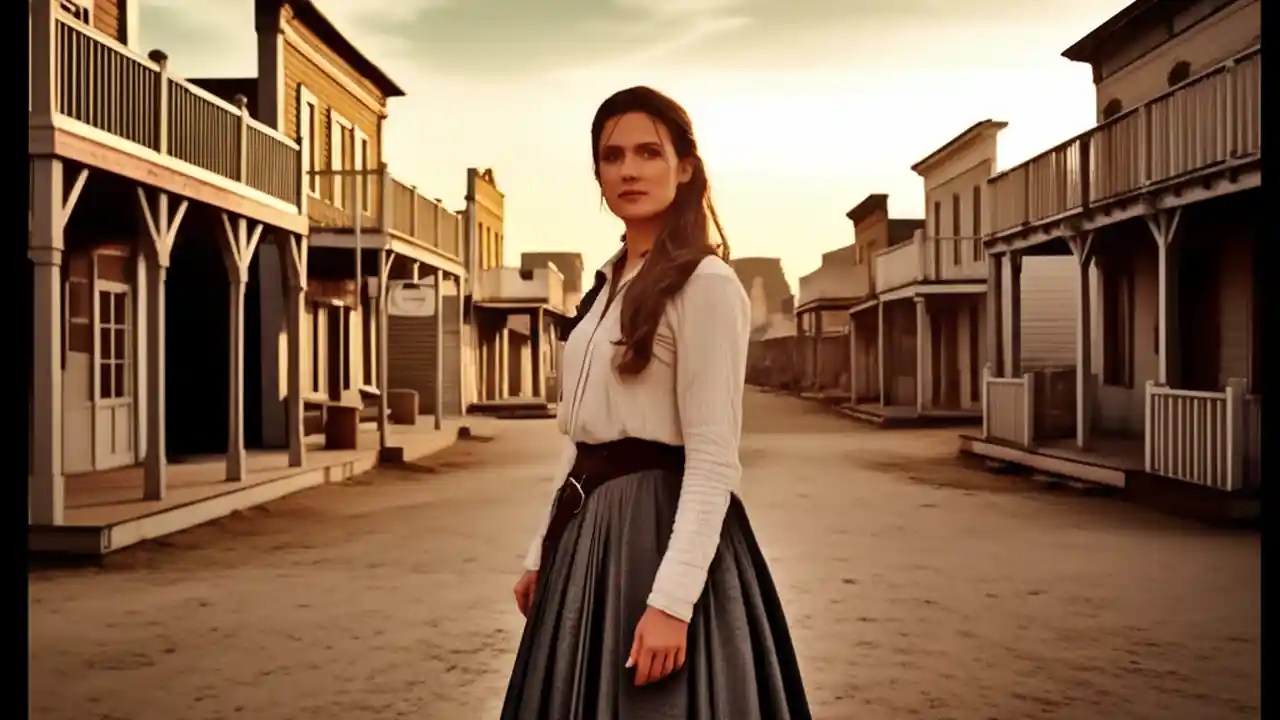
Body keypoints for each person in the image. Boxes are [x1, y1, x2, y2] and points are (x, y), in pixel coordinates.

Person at [500, 85, 812, 719]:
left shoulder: (706, 284)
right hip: (587, 535)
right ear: (598, 172)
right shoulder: (609, 283)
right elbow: (582, 442)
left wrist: (672, 602)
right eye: (613, 156)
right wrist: (542, 551)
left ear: (685, 167)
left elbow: (713, 460)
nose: (630, 169)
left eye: (648, 152)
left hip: (657, 532)